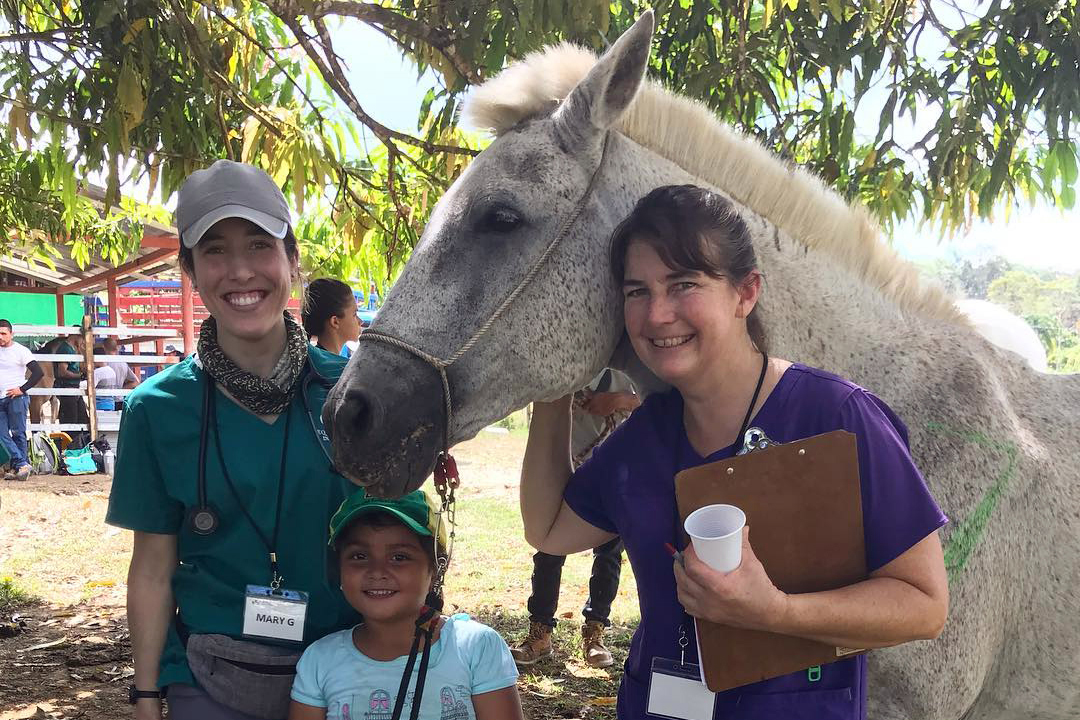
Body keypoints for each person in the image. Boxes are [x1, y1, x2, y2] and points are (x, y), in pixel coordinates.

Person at [520, 185, 949, 719]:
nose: (656, 315)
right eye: (637, 292)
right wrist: (552, 391)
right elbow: (550, 528)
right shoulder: (643, 439)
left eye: (683, 285)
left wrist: (776, 611)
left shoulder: (836, 419)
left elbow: (924, 606)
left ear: (746, 293)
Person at [106, 159, 363, 720]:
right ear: (191, 272)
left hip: (353, 666)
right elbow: (151, 567)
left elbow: (398, 529)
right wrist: (147, 693)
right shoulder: (156, 410)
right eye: (215, 250)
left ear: (293, 262)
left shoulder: (348, 393)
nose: (241, 271)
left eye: (259, 245)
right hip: (214, 673)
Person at [288, 489, 524, 720]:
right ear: (337, 570)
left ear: (435, 570)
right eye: (359, 556)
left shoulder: (476, 648)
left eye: (399, 557)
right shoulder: (319, 660)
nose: (377, 571)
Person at [510, 369, 639, 668]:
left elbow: (658, 400)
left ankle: (595, 634)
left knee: (608, 552)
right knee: (548, 549)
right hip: (561, 459)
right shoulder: (570, 355)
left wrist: (618, 400)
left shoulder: (633, 348)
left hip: (613, 463)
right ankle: (539, 632)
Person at [0, 319, 44, 481]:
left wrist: (21, 389)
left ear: (11, 334)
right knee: (2, 434)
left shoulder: (21, 351)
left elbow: (38, 373)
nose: (1, 337)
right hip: (1, 397)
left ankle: (17, 467)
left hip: (16, 395)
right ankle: (22, 464)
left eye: (4, 333)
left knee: (18, 432)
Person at [301, 279, 361, 358]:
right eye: (354, 314)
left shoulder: (311, 361)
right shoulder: (338, 368)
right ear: (335, 322)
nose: (361, 321)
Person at [53, 329, 87, 427]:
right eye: (81, 338)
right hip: (67, 386)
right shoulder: (65, 349)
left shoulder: (72, 349)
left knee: (81, 418)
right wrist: (80, 376)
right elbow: (62, 372)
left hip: (74, 387)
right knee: (71, 418)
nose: (82, 341)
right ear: (76, 336)